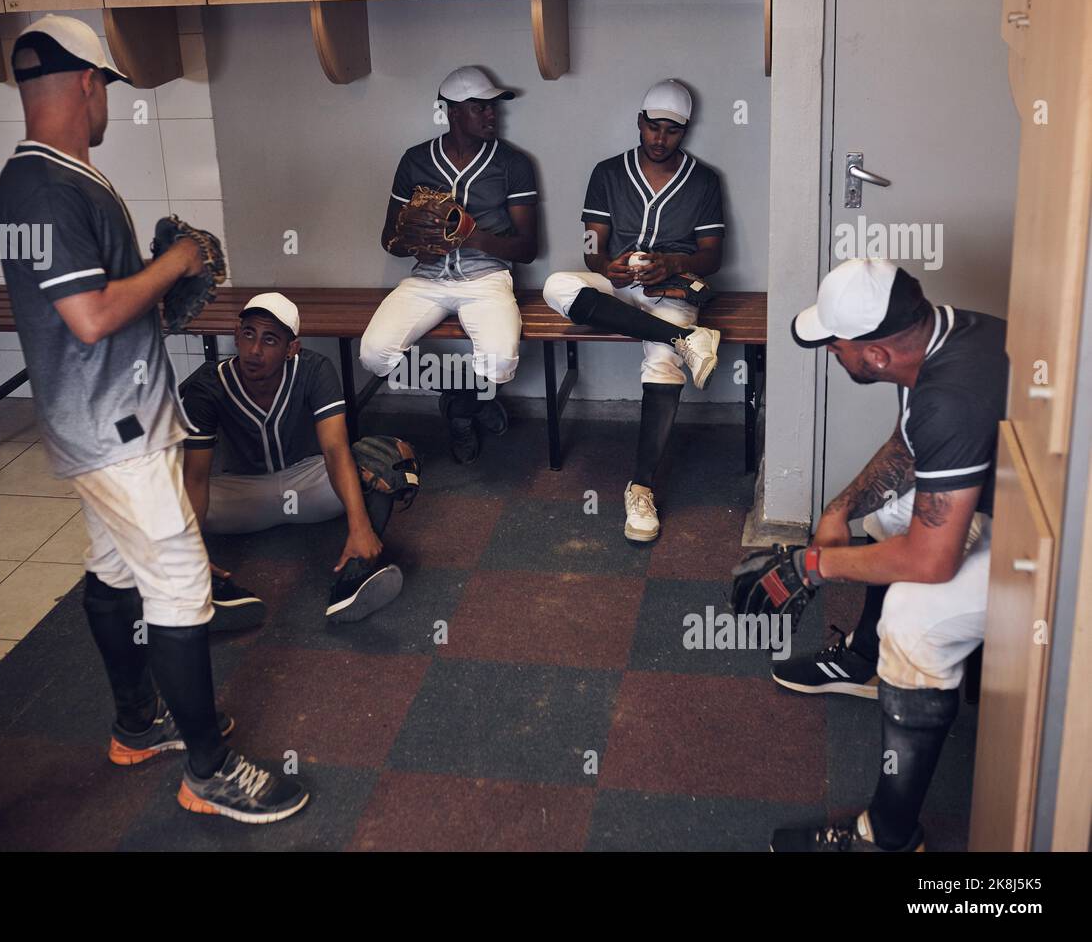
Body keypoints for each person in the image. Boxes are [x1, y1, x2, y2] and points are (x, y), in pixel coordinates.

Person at [0, 14, 306, 824]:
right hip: (114, 430)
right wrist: (178, 263)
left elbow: (101, 307)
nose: (106, 106)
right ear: (91, 84)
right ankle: (209, 772)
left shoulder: (41, 175)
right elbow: (90, 316)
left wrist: (154, 293)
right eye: (107, 90)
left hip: (100, 418)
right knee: (178, 583)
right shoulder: (47, 185)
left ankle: (137, 724)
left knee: (114, 569)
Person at [768, 258, 1006, 852]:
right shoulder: (947, 332)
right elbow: (910, 441)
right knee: (885, 515)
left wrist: (814, 566)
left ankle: (890, 836)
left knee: (914, 627)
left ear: (875, 357)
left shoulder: (949, 395)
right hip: (1001, 490)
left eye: (836, 346)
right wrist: (839, 509)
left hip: (1052, 538)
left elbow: (931, 561)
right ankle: (864, 663)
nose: (831, 353)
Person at [542, 79, 724, 543]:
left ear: (685, 131)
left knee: (664, 366)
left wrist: (674, 263)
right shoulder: (607, 172)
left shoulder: (703, 180)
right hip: (618, 284)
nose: (659, 139)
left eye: (671, 130)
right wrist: (607, 266)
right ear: (638, 122)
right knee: (557, 285)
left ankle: (641, 488)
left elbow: (712, 256)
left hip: (669, 287)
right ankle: (681, 338)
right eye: (652, 127)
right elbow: (589, 246)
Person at [180, 293, 418, 625]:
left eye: (270, 340)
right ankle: (200, 588)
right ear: (236, 335)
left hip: (307, 484)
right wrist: (188, 552)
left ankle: (356, 574)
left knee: (388, 458)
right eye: (248, 334)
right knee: (159, 489)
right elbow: (195, 477)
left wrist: (360, 525)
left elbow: (335, 451)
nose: (254, 350)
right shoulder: (208, 386)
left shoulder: (314, 370)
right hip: (240, 497)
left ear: (292, 348)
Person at [360, 65, 539, 463]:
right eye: (481, 107)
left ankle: (462, 408)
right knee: (373, 355)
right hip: (426, 280)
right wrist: (414, 245)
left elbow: (527, 247)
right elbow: (388, 239)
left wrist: (469, 234)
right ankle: (465, 397)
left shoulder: (512, 163)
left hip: (486, 278)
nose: (493, 115)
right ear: (453, 112)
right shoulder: (415, 160)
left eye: (494, 107)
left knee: (499, 363)